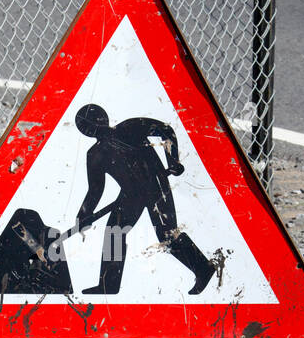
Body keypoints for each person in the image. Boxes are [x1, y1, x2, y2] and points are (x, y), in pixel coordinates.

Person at [73, 103, 216, 296]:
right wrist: (83, 215)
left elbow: (166, 130)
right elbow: (96, 189)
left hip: (156, 184)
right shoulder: (95, 153)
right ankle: (109, 284)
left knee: (166, 235)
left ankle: (203, 268)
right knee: (114, 231)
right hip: (131, 193)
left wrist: (172, 160)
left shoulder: (129, 128)